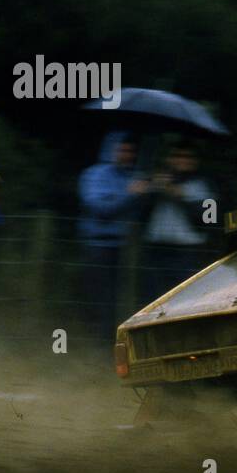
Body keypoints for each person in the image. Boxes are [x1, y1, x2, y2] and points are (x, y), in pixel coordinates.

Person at [78, 132, 149, 340]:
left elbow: (138, 214)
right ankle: (97, 343)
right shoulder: (94, 175)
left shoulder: (135, 177)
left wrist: (145, 193)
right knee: (101, 298)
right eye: (123, 149)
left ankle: (117, 341)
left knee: (123, 298)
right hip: (98, 246)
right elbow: (99, 208)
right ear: (111, 149)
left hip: (127, 248)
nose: (127, 155)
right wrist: (131, 195)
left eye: (131, 151)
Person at [141, 141, 217, 305]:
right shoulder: (157, 180)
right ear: (169, 159)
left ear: (195, 160)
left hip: (187, 253)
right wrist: (150, 188)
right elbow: (140, 213)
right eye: (177, 156)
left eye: (187, 156)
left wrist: (181, 195)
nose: (182, 160)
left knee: (185, 300)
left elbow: (210, 220)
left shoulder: (204, 184)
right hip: (157, 249)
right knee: (154, 300)